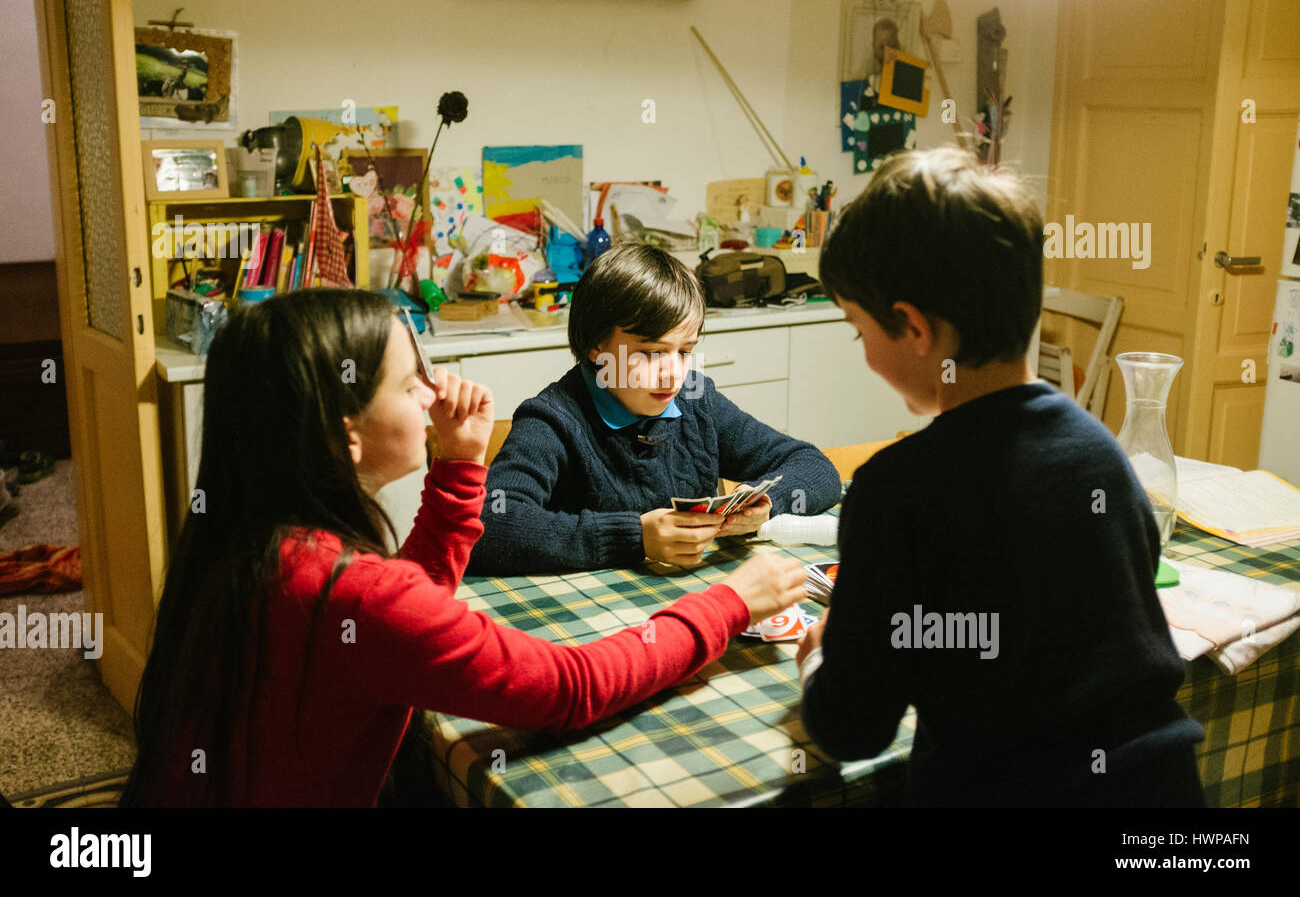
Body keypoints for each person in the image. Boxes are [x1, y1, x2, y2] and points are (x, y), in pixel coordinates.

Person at [119, 288, 807, 807]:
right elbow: (569, 688)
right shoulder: (343, 588)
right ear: (347, 435)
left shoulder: (259, 543)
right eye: (409, 380)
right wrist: (726, 604)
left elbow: (402, 614)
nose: (433, 391)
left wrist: (457, 466)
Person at [797, 147, 1205, 807]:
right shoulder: (1102, 454)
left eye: (858, 329)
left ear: (914, 327)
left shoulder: (896, 491)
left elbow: (853, 727)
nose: (862, 350)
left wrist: (817, 658)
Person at [467, 244, 843, 575]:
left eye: (684, 351)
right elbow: (487, 527)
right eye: (651, 353)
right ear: (597, 346)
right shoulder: (552, 421)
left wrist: (767, 503)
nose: (673, 373)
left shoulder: (696, 400)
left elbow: (813, 465)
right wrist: (635, 537)